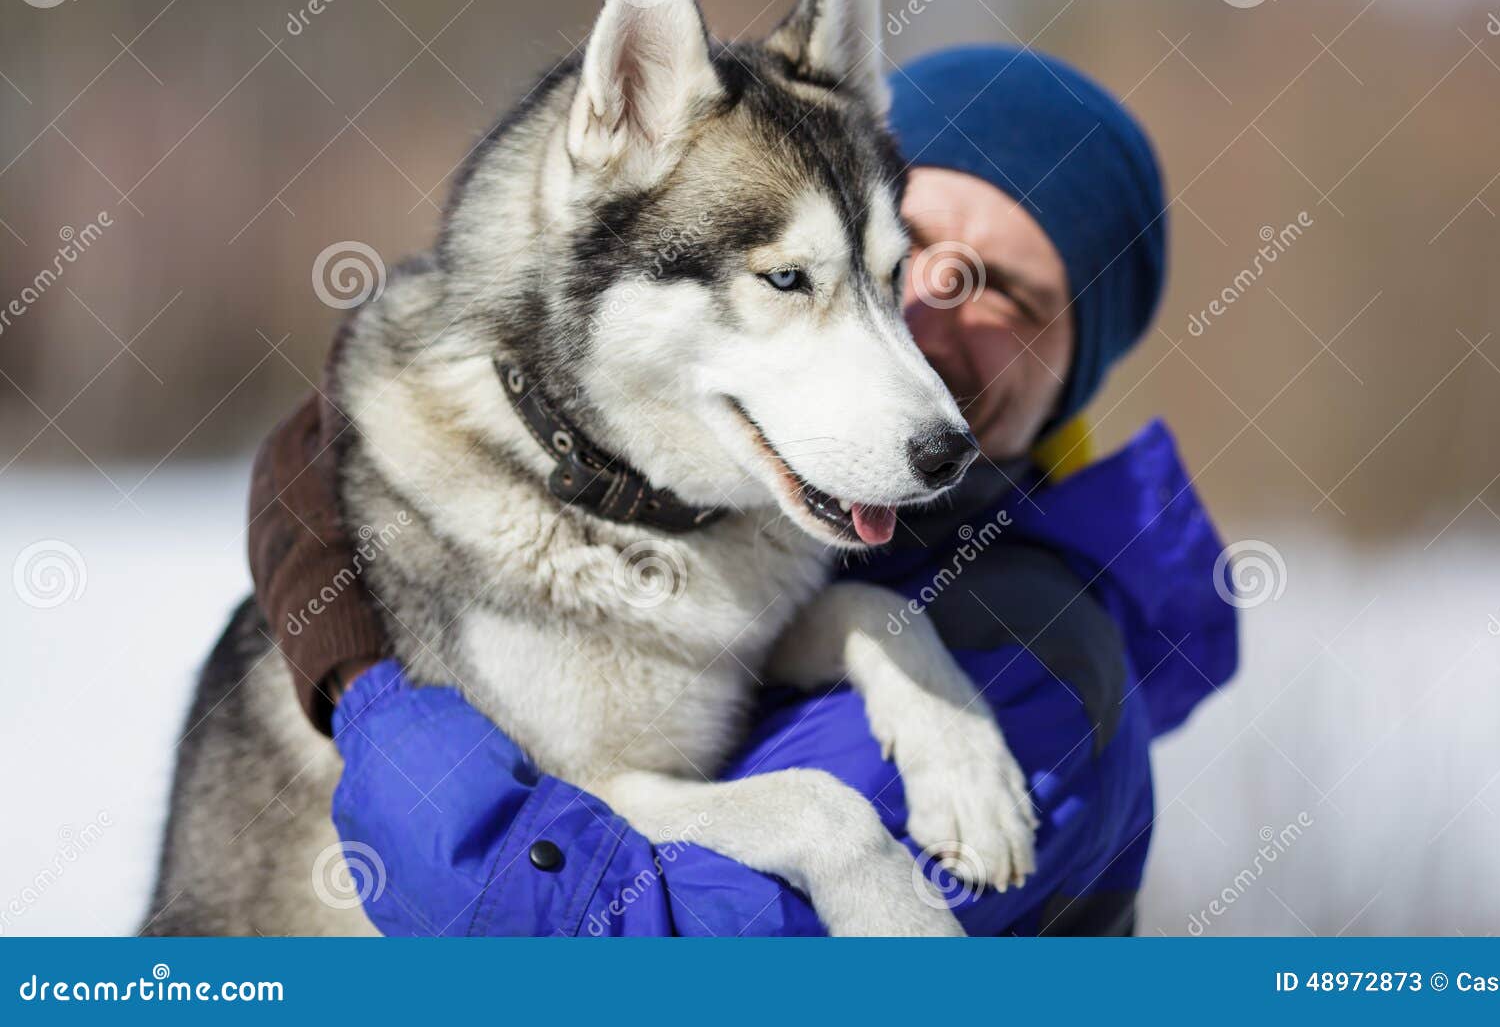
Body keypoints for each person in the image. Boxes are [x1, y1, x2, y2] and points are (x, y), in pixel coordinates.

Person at [248, 46, 1237, 936]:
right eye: (911, 246)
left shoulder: (1036, 652)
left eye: (1007, 291)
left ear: (1072, 376)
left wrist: (373, 699)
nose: (929, 304)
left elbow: (606, 932)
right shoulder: (777, 490)